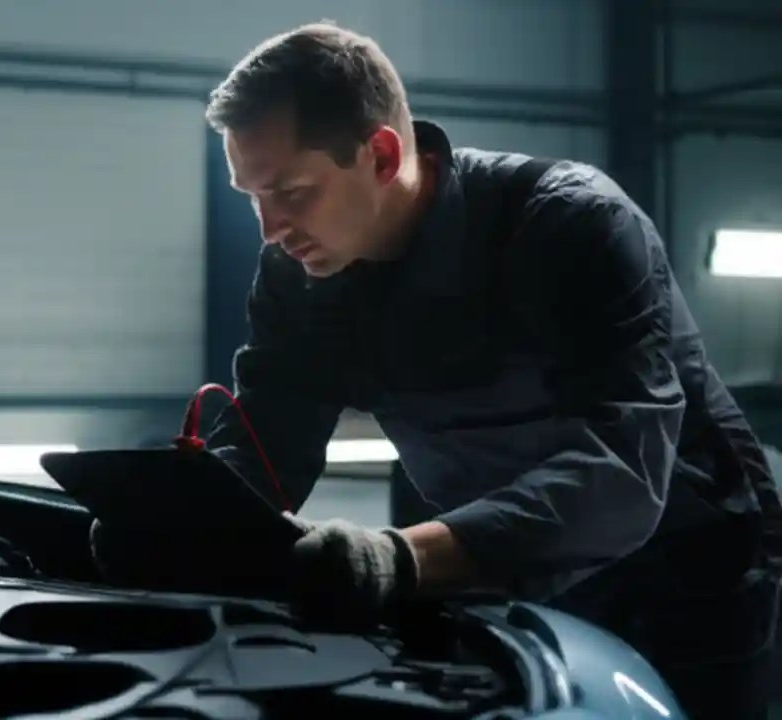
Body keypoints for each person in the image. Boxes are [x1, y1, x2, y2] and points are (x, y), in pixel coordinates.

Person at [91, 21, 782, 719]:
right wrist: (188, 527)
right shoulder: (298, 273)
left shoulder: (572, 226)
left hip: (689, 580)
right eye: (251, 196)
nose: (268, 228)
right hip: (505, 568)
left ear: (383, 155)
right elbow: (271, 438)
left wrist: (400, 559)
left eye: (291, 192)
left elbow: (624, 475)